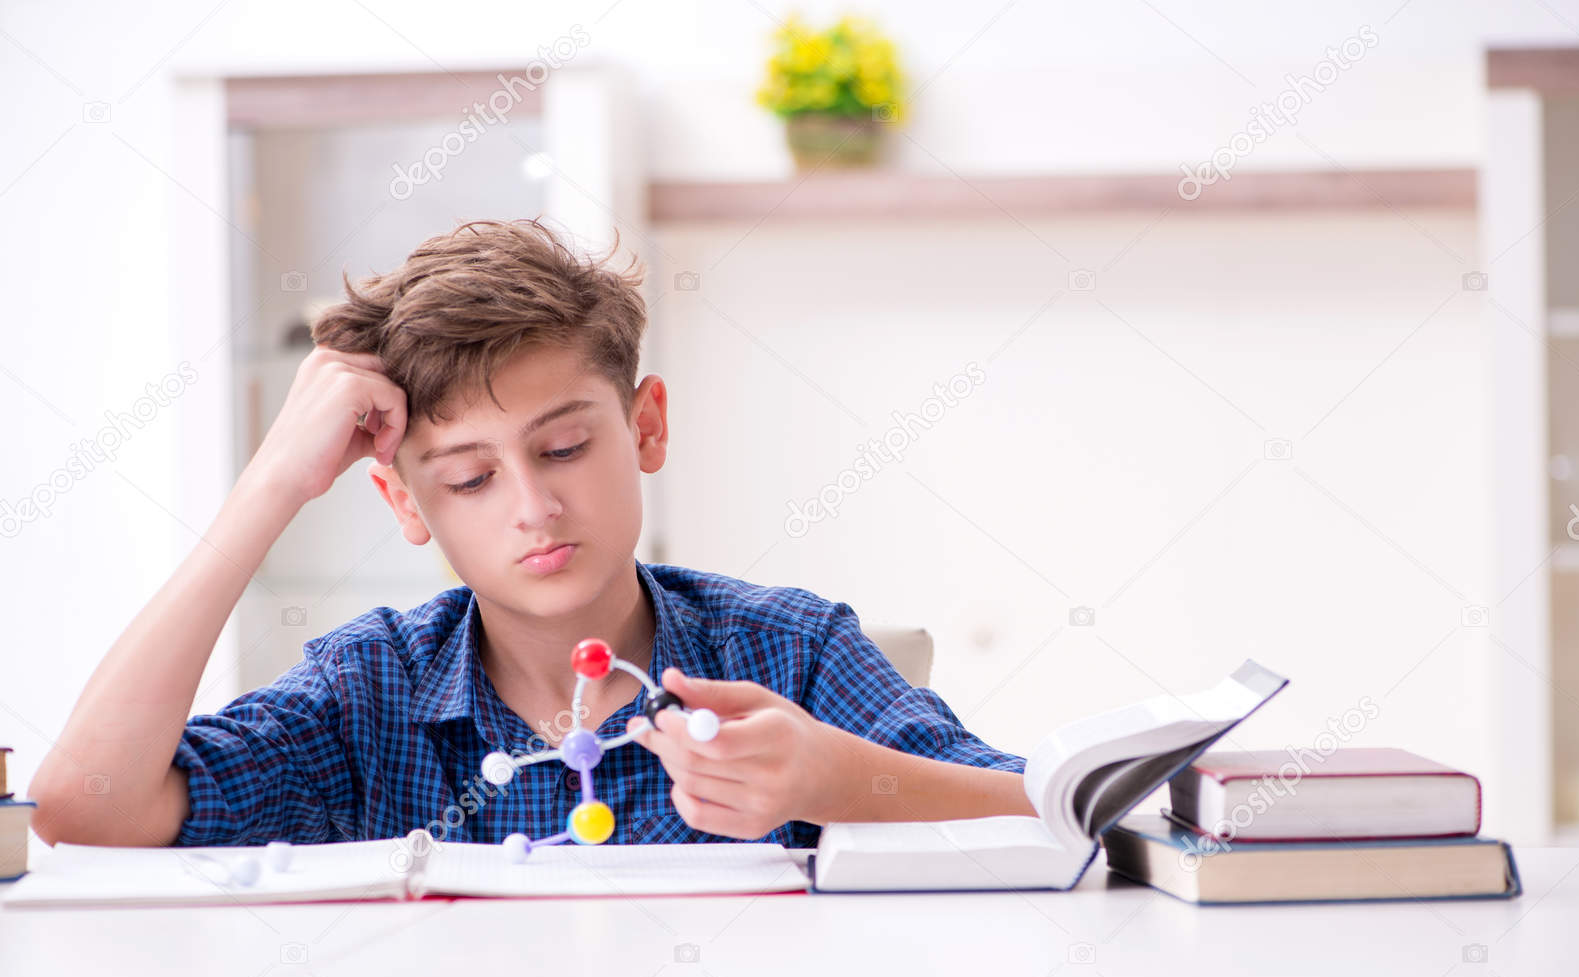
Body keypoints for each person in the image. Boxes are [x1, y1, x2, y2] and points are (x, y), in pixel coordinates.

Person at [30, 219, 1032, 848]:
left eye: (560, 450)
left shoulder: (789, 650)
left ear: (645, 427)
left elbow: (1046, 811)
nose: (531, 508)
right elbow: (84, 809)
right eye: (468, 477)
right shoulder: (366, 693)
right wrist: (269, 489)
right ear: (406, 504)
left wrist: (834, 779)